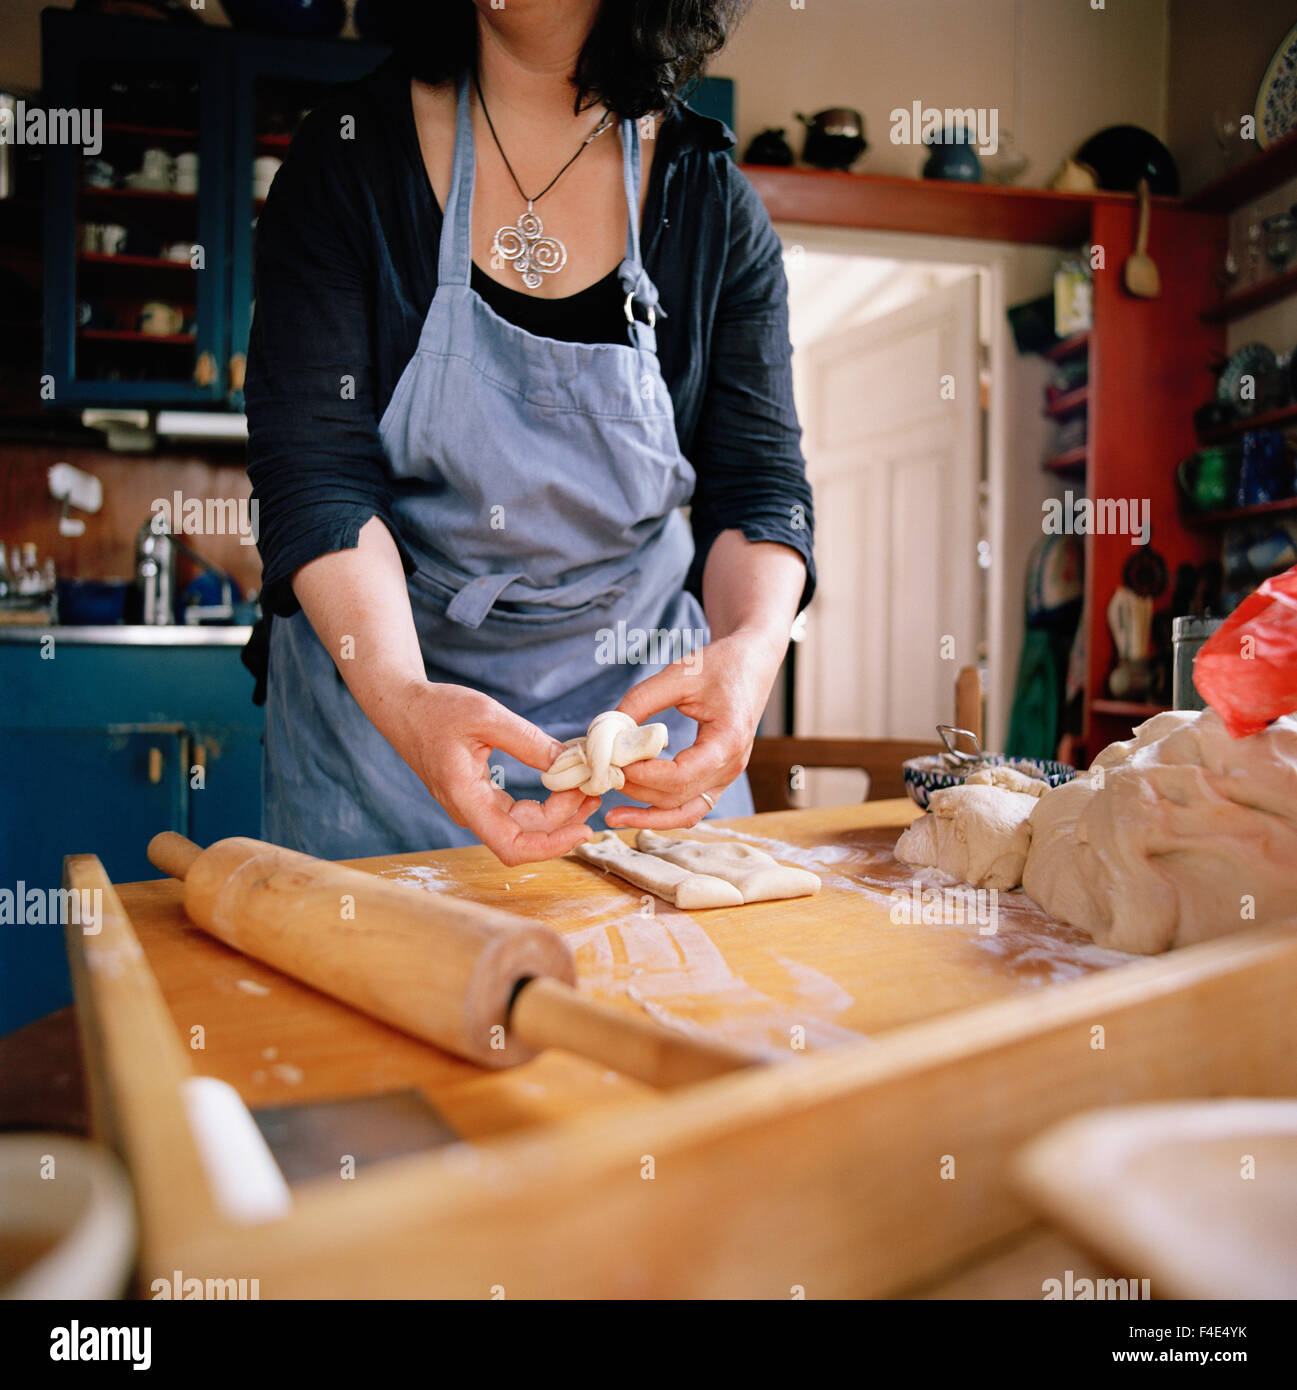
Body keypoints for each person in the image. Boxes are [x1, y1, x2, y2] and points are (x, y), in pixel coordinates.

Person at [244, 0, 815, 866]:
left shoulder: (709, 205)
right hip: (384, 734)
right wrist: (404, 697)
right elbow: (317, 482)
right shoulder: (349, 159)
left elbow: (760, 489)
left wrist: (750, 651)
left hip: (639, 732)